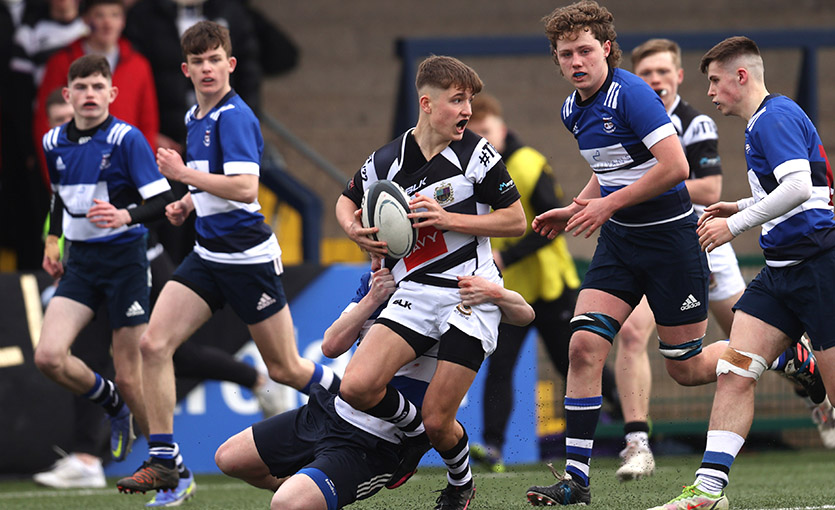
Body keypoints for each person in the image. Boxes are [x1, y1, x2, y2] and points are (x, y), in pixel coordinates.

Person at [524, 3, 824, 506]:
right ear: (556, 60)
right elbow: (610, 168)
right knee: (583, 346)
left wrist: (605, 207)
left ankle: (782, 354)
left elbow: (673, 166)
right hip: (620, 243)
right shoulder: (571, 109)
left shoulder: (633, 95)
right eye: (565, 53)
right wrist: (576, 206)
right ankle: (577, 479)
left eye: (584, 50)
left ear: (607, 50)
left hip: (670, 243)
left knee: (683, 368)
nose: (576, 61)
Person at [116, 20, 337, 498]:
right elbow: (216, 182)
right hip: (208, 254)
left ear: (230, 64)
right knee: (153, 346)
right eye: (198, 62)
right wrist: (189, 200)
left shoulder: (234, 116)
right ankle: (164, 460)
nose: (207, 68)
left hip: (247, 258)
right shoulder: (197, 117)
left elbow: (244, 188)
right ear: (186, 70)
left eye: (215, 59)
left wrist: (182, 173)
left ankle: (362, 407)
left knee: (285, 369)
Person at [613, 38, 835, 483]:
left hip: (817, 267)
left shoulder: (773, 116)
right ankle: (708, 488)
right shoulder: (764, 121)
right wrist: (739, 205)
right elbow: (799, 188)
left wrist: (733, 226)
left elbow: (794, 188)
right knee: (734, 369)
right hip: (781, 273)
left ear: (741, 76)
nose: (710, 91)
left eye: (715, 80)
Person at [335, 55, 526, 509]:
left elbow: (517, 221)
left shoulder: (477, 155)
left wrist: (449, 218)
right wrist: (352, 228)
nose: (466, 110)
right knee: (356, 386)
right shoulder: (386, 160)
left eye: (470, 101)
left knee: (441, 419)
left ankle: (461, 483)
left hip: (470, 293)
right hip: (415, 290)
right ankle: (412, 429)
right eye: (457, 100)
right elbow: (346, 200)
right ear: (426, 103)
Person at [215, 268, 535, 510]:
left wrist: (495, 293)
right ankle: (314, 490)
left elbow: (524, 314)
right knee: (230, 458)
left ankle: (316, 487)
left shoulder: (453, 278)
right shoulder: (377, 281)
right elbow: (331, 344)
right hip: (332, 411)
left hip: (375, 442)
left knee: (286, 504)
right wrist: (372, 297)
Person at [34, 53, 175, 480]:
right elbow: (60, 198)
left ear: (112, 94)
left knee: (132, 377)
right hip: (82, 264)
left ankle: (169, 466)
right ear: (68, 94)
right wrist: (52, 239)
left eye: (98, 87)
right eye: (82, 87)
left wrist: (124, 215)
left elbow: (162, 199)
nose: (90, 95)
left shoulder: (126, 139)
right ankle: (111, 403)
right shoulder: (52, 142)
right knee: (49, 357)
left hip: (125, 263)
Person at [465, 93, 622, 473]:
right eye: (475, 135)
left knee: (576, 360)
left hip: (552, 286)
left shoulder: (529, 163)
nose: (482, 141)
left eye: (487, 132)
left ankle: (627, 418)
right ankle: (494, 448)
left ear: (502, 129)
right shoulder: (473, 173)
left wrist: (506, 256)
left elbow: (553, 224)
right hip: (509, 291)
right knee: (499, 365)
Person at [34, 0, 158, 155]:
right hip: (76, 163)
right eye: (99, 15)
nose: (108, 23)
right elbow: (44, 120)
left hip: (125, 165)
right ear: (85, 19)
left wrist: (143, 168)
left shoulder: (139, 65)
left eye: (115, 15)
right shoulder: (61, 62)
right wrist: (54, 172)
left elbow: (148, 124)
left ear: (123, 21)